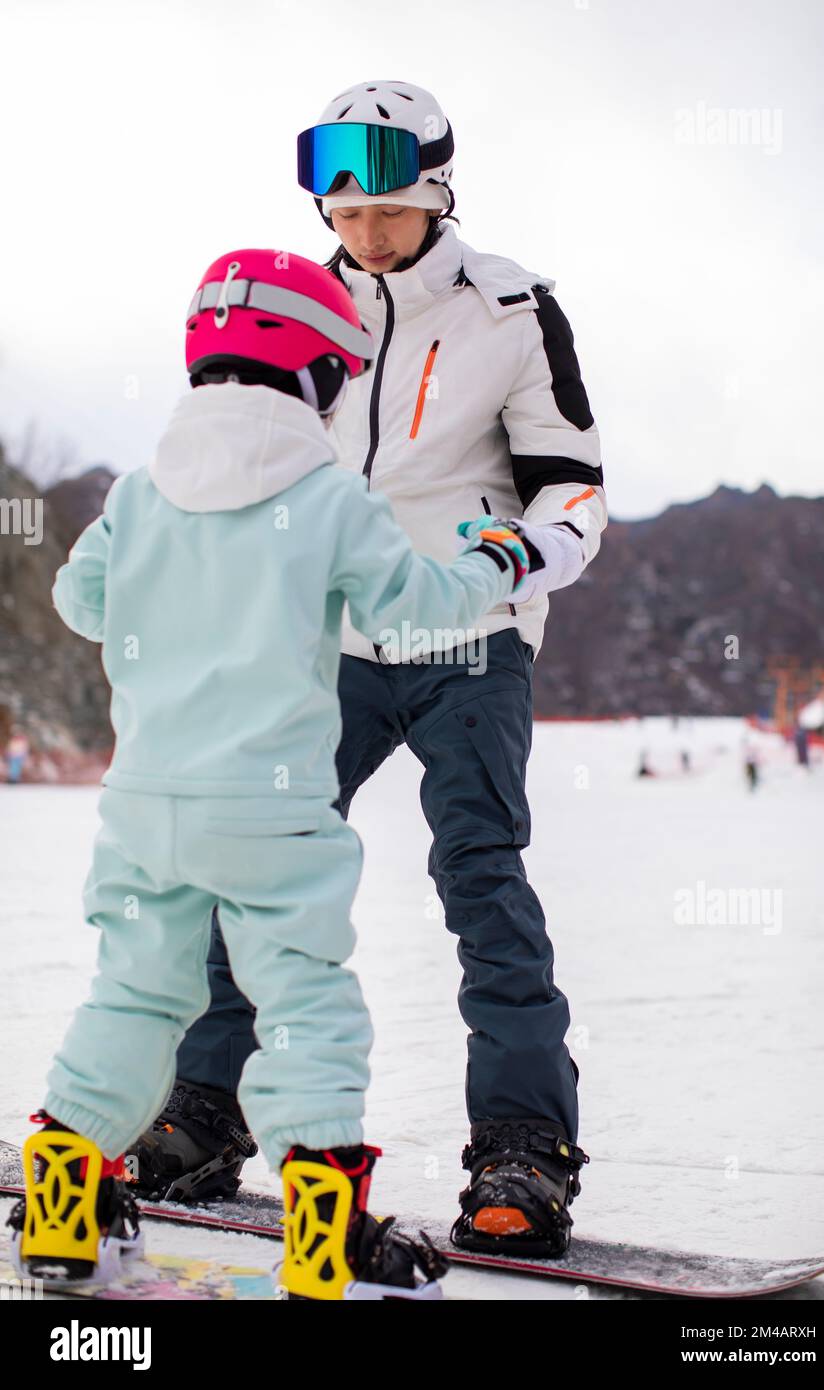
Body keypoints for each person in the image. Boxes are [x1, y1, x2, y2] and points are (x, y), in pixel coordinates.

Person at [132, 78, 607, 1258]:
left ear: (438, 192)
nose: (363, 236)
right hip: (328, 638)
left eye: (387, 213)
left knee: (480, 880)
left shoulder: (510, 310)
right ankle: (203, 1109)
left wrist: (520, 551)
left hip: (466, 631)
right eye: (344, 217)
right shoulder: (297, 307)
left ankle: (519, 1151)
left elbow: (573, 484)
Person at [7, 248, 533, 1300]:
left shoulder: (141, 492)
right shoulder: (329, 496)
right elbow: (409, 610)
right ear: (314, 373)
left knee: (134, 992)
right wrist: (494, 560)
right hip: (271, 813)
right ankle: (325, 1222)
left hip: (146, 807)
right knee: (301, 1000)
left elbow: (80, 602)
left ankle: (67, 1193)